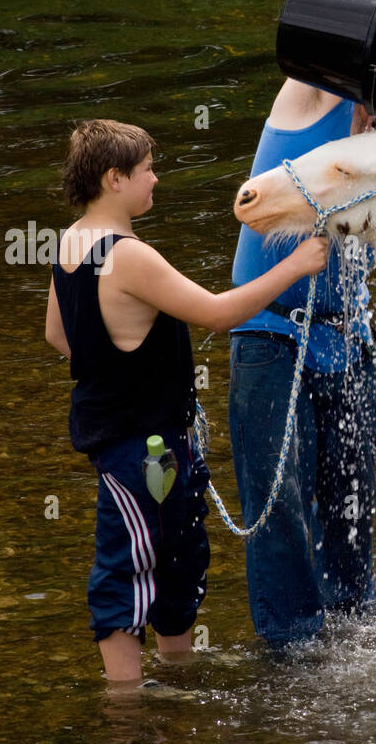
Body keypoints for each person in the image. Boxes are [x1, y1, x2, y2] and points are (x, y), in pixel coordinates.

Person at [45, 119, 328, 686]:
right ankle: (124, 700)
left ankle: (177, 673)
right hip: (141, 443)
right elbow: (219, 313)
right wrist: (294, 266)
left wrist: (117, 354)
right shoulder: (127, 255)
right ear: (114, 178)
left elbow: (59, 335)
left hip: (143, 440)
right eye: (148, 169)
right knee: (129, 564)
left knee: (176, 551)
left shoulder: (70, 243)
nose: (156, 179)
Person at [228, 0, 376, 646]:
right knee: (281, 504)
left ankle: (355, 630)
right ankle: (292, 652)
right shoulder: (311, 96)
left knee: (353, 506)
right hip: (270, 332)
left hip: (348, 342)